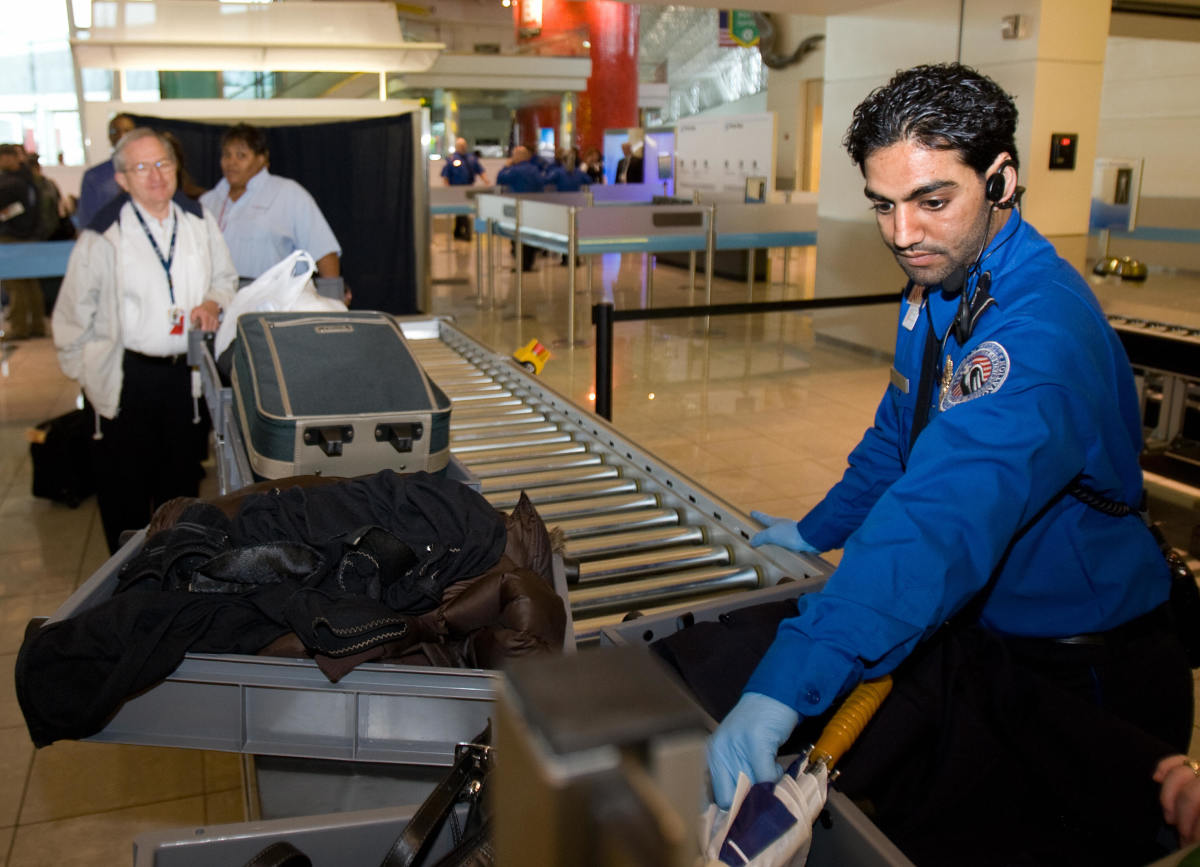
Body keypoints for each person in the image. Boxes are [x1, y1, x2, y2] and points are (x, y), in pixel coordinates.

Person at [706, 63, 1193, 864]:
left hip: (1085, 666)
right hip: (990, 637)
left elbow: (937, 521)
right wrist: (816, 527)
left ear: (1001, 180)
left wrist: (783, 686)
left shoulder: (1037, 336)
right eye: (884, 206)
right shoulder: (939, 286)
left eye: (933, 200)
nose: (903, 233)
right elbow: (900, 433)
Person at [53, 128, 237, 553]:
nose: (155, 175)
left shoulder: (197, 219)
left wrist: (212, 301)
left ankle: (173, 576)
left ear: (176, 168)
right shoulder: (103, 235)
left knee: (180, 491)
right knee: (125, 492)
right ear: (122, 179)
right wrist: (89, 377)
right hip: (124, 377)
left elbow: (225, 279)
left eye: (163, 163)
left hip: (184, 378)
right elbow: (71, 316)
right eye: (141, 167)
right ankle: (124, 587)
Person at [199, 123, 340, 282]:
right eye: (226, 155)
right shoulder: (207, 202)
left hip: (274, 302)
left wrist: (332, 298)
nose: (231, 162)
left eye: (241, 155)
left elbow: (323, 251)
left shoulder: (289, 194)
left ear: (261, 159)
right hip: (220, 302)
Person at [0, 143, 45, 338]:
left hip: (13, 237)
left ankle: (19, 328)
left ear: (10, 158)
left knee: (15, 283)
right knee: (30, 282)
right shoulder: (30, 179)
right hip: (30, 237)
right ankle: (36, 325)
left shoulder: (10, 182)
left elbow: (12, 210)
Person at [76, 113, 135, 228]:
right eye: (115, 131)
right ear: (109, 136)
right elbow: (86, 221)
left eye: (127, 131)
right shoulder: (94, 177)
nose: (121, 135)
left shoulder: (148, 172)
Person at [496, 145, 545, 272]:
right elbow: (541, 184)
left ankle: (522, 264)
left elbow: (500, 179)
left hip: (517, 207)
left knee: (517, 236)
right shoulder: (535, 170)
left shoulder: (514, 170)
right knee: (530, 236)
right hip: (533, 207)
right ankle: (528, 263)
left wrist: (506, 166)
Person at [441, 136, 488, 241]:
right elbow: (446, 175)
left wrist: (486, 181)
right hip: (456, 189)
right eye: (460, 145)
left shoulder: (471, 159)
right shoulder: (452, 159)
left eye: (464, 145)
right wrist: (447, 188)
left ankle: (458, 232)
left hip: (468, 188)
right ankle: (465, 232)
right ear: (457, 147)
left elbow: (480, 171)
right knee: (461, 211)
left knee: (464, 210)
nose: (463, 147)